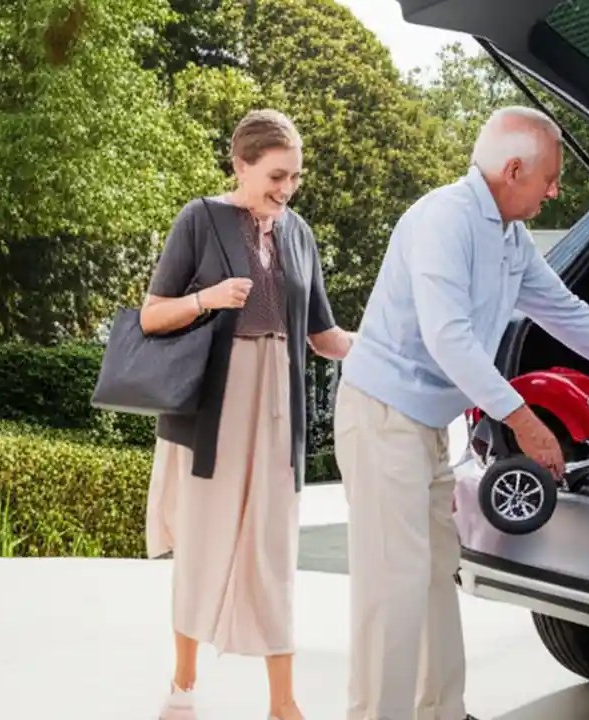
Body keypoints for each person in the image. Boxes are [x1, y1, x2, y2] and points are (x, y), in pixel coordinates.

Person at [333, 105, 589, 720]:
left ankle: (442, 712)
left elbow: (564, 310)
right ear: (513, 169)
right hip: (382, 419)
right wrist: (524, 420)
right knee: (393, 590)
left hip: (424, 426)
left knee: (436, 576)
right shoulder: (446, 220)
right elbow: (448, 337)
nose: (554, 190)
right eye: (549, 178)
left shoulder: (509, 237)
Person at [140, 108, 354, 720]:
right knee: (205, 545)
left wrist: (391, 346)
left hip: (277, 405)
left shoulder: (299, 233)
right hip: (213, 404)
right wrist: (207, 298)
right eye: (277, 176)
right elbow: (152, 314)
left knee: (272, 548)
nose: (286, 189)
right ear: (241, 164)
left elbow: (325, 336)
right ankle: (183, 688)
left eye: (295, 178)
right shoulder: (199, 219)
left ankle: (283, 705)